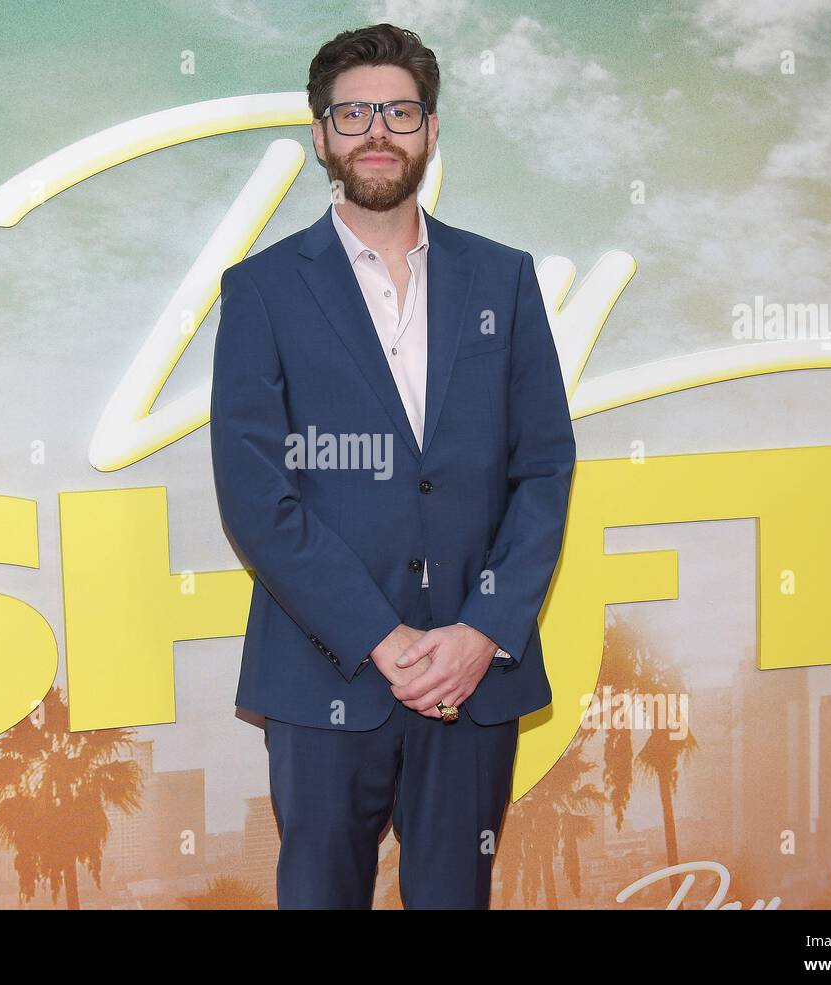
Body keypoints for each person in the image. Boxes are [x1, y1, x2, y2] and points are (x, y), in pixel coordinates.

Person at [209, 22, 576, 909]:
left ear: (432, 129)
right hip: (324, 674)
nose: (378, 130)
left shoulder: (505, 280)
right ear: (321, 135)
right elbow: (257, 493)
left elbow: (545, 469)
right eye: (355, 112)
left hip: (473, 676)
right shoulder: (261, 290)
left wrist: (482, 632)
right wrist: (384, 638)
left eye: (400, 111)